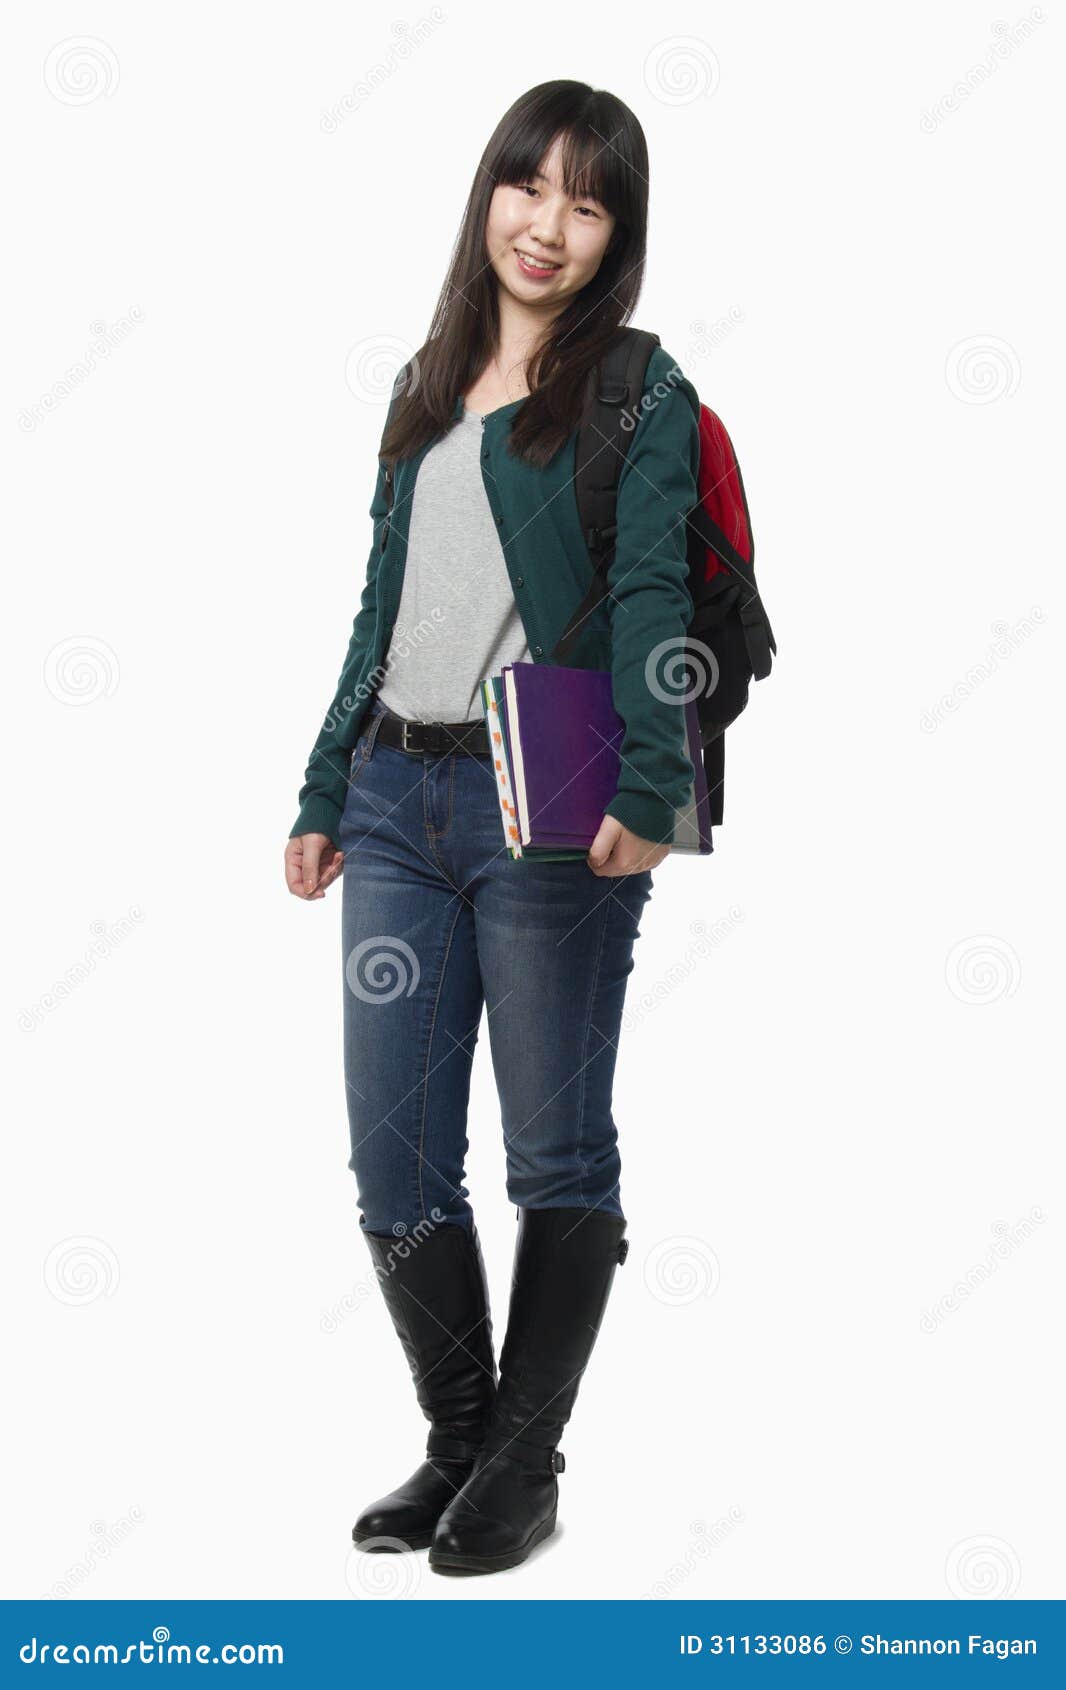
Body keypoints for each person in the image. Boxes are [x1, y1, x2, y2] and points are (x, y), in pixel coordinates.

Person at [285, 79, 701, 1576]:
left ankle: (522, 1473)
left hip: (553, 795)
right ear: (489, 194)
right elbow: (380, 607)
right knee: (394, 1162)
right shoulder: (427, 376)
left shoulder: (639, 391)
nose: (548, 223)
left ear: (616, 232)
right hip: (397, 801)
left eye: (588, 201)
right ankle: (459, 1440)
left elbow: (654, 596)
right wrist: (327, 783)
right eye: (529, 186)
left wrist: (651, 790)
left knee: (553, 1155)